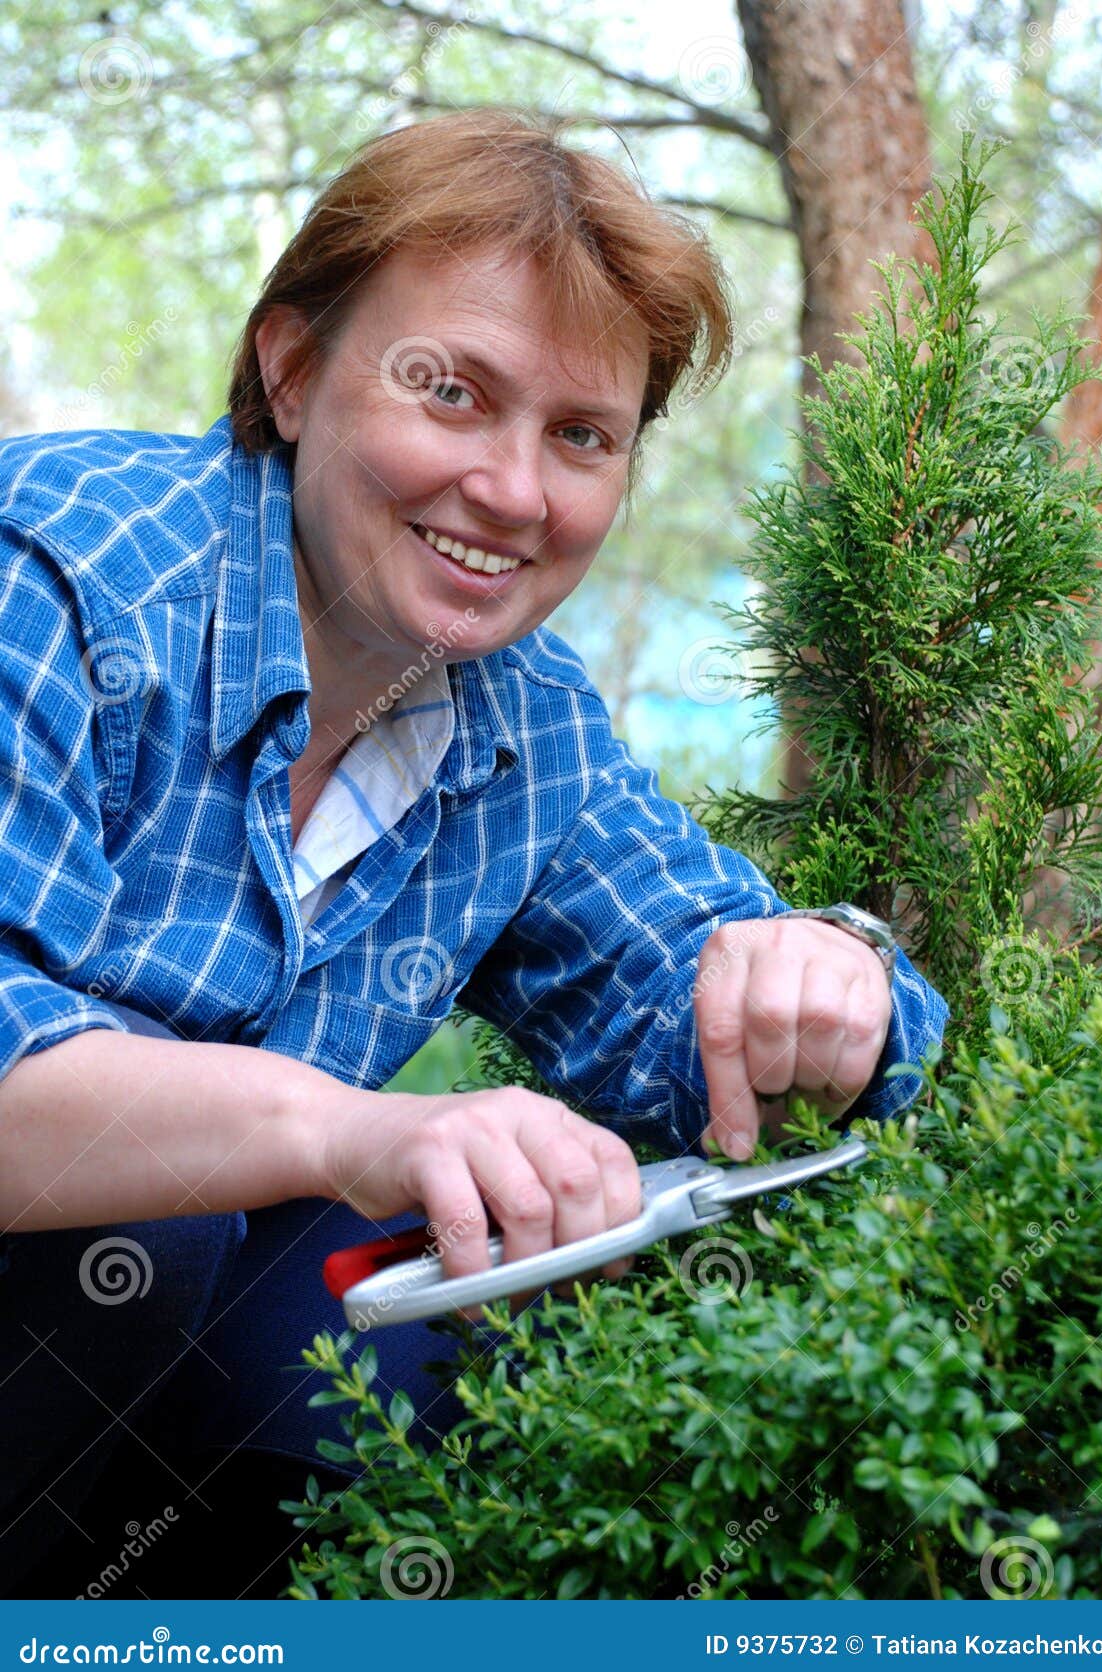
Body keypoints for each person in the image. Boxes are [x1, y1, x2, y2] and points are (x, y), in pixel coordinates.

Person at [0, 108, 947, 1596]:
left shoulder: (525, 729)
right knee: (164, 1215)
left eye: (581, 435)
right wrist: (349, 1127)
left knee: (383, 1291)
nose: (514, 491)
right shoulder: (62, 570)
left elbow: (703, 1006)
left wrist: (825, 983)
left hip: (106, 1434)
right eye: (452, 393)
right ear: (293, 368)